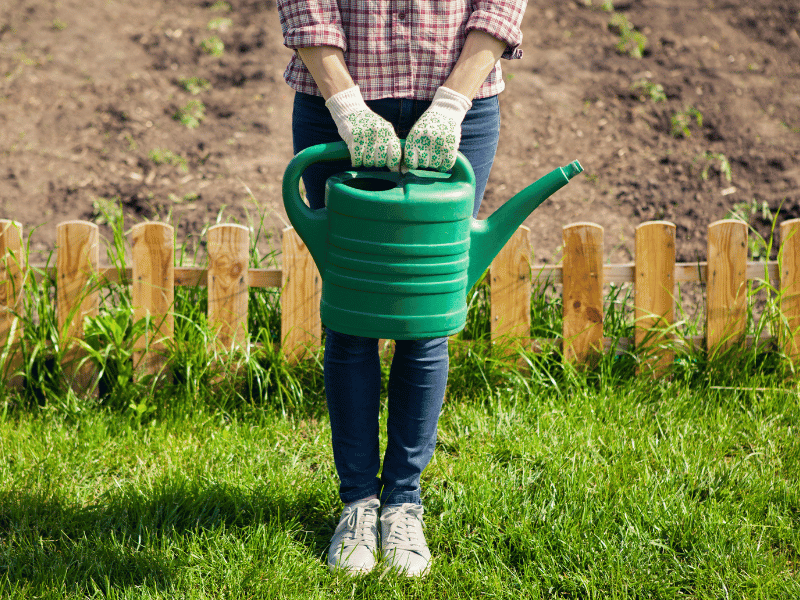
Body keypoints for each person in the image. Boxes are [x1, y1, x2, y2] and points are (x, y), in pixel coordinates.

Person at [277, 0, 527, 577]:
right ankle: (358, 504)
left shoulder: (456, 105)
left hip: (459, 103)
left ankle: (404, 505)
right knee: (352, 312)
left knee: (425, 312)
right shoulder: (339, 106)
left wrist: (451, 103)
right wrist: (346, 105)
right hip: (337, 101)